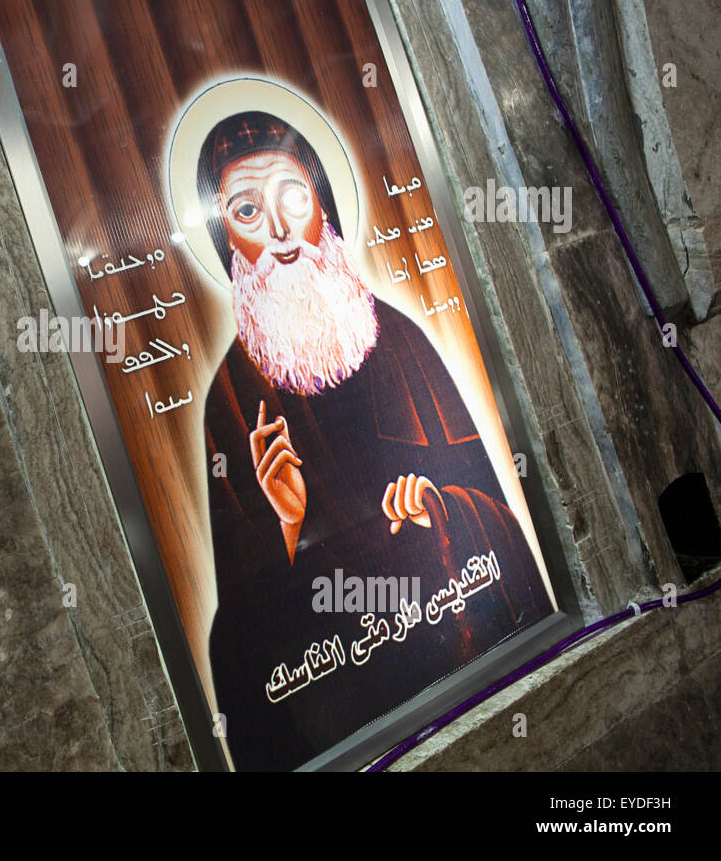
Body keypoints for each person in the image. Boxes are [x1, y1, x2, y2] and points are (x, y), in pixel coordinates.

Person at [198, 110, 552, 770]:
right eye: (247, 212)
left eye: (292, 199)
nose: (279, 234)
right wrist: (289, 529)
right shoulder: (230, 400)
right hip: (343, 688)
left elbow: (503, 515)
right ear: (227, 245)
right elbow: (243, 636)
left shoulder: (403, 339)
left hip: (456, 628)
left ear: (322, 206)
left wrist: (440, 509)